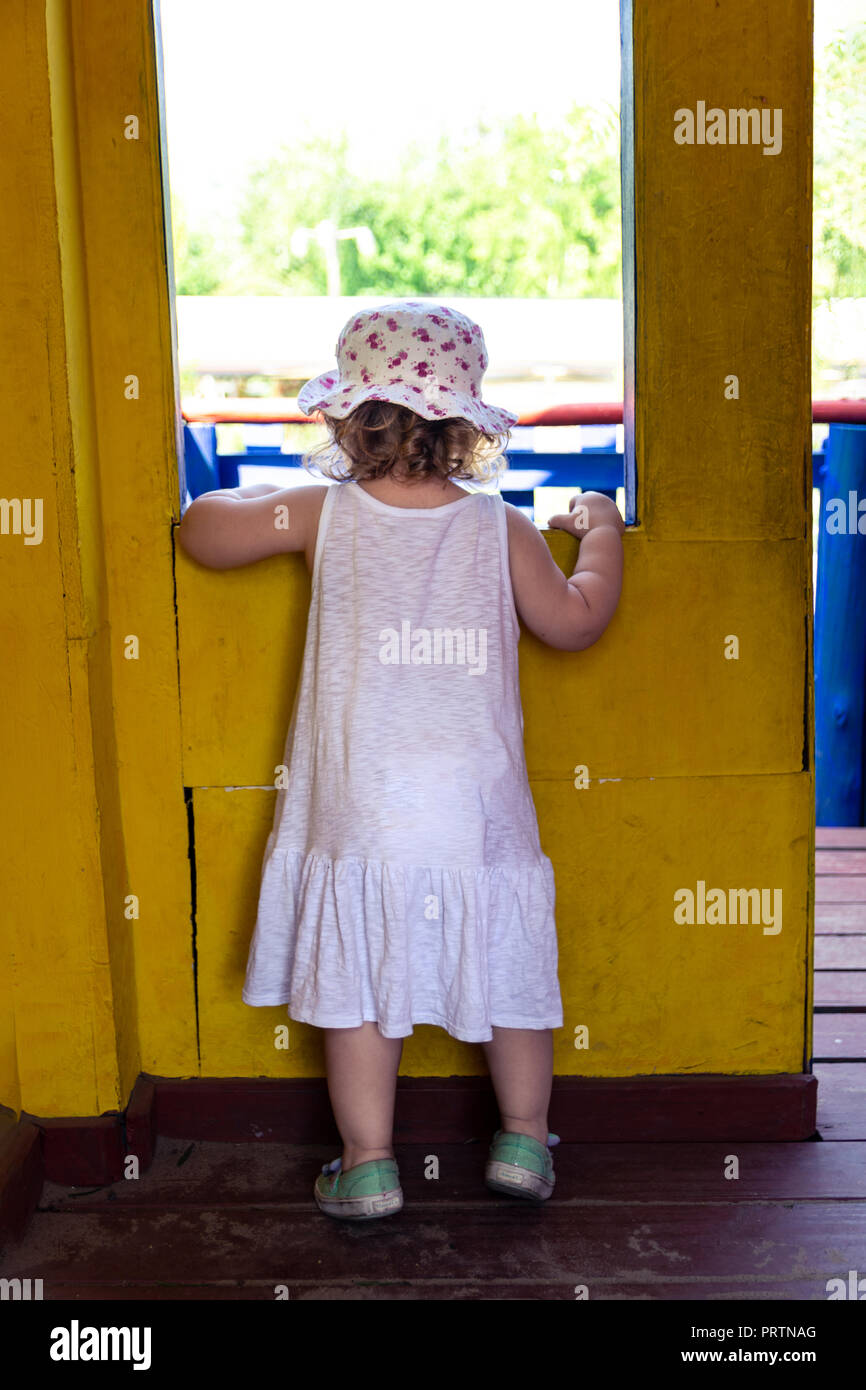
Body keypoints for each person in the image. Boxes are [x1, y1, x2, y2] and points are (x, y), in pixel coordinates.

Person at [177, 300, 624, 1221]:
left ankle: (370, 1162)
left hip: (364, 804)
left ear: (344, 417)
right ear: (466, 427)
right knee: (505, 965)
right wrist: (603, 530)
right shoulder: (499, 527)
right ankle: (525, 1142)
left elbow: (203, 532)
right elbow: (575, 622)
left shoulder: (321, 515)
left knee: (357, 982)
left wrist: (257, 498)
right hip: (478, 807)